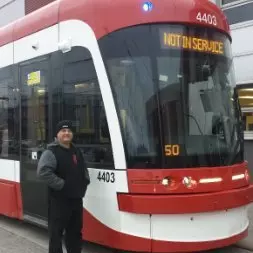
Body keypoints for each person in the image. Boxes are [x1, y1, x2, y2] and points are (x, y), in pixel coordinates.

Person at [37, 120, 90, 253]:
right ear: (57, 134)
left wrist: (85, 181)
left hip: (76, 199)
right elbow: (43, 172)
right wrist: (62, 185)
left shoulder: (76, 150)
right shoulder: (51, 152)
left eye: (69, 131)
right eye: (63, 131)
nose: (66, 133)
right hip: (58, 201)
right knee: (56, 235)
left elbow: (83, 168)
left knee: (75, 233)